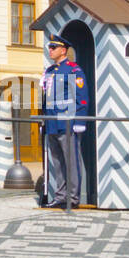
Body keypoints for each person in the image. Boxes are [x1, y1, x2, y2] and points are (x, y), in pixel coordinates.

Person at [41, 36, 89, 209]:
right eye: (50, 47)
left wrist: (80, 120)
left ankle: (73, 197)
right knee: (58, 162)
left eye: (54, 47)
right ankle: (60, 196)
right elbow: (46, 98)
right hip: (52, 122)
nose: (50, 50)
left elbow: (82, 97)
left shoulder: (73, 70)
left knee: (71, 161)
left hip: (68, 122)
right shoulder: (49, 71)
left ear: (63, 50)